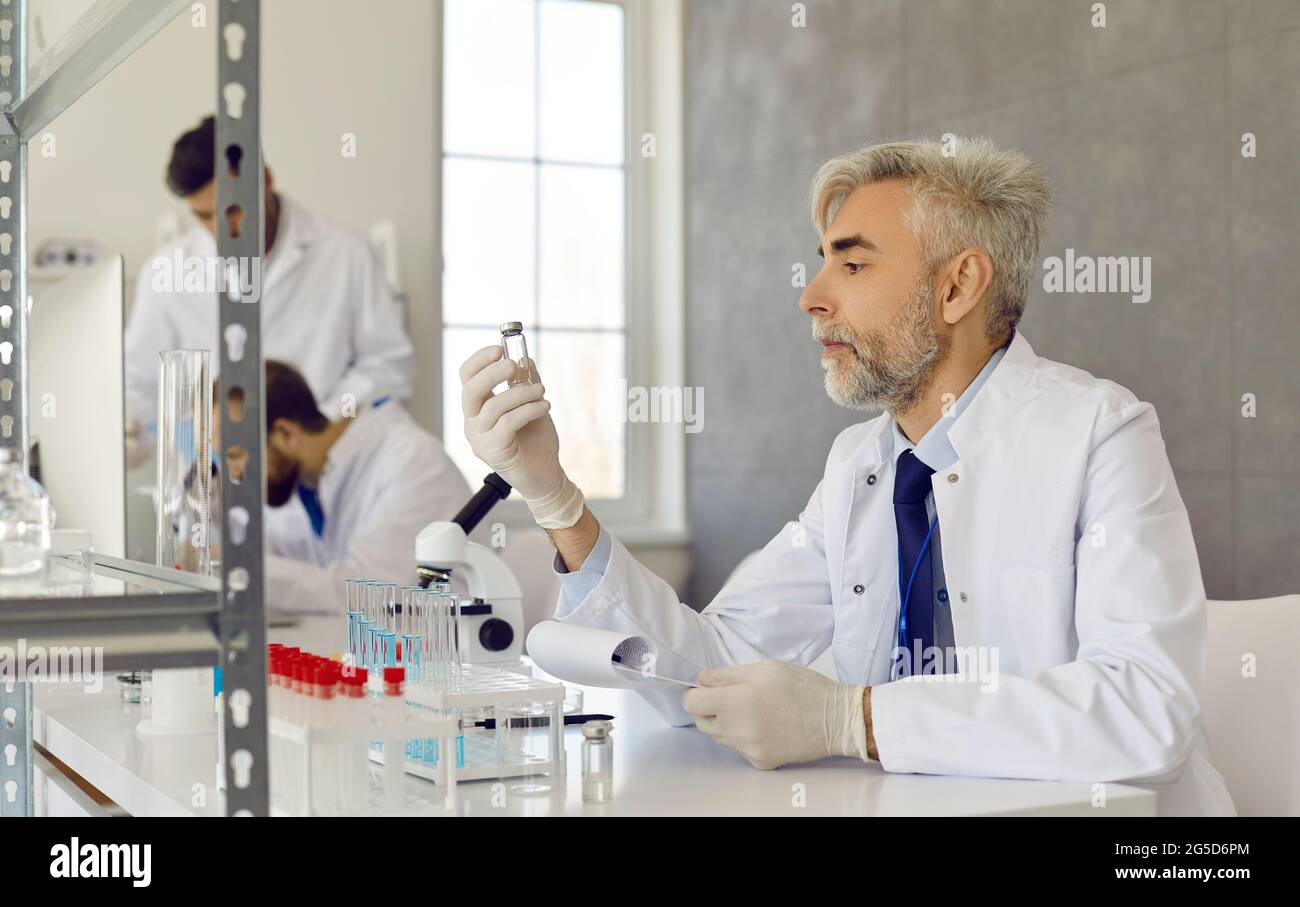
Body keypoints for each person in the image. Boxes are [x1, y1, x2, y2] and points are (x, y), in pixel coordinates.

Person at [456, 137, 1236, 817]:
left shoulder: (1099, 432)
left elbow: (1145, 709)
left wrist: (853, 721)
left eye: (852, 263)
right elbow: (711, 664)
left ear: (958, 286)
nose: (812, 296)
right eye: (822, 261)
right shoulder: (860, 466)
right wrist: (554, 495)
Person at [125, 115, 414, 436]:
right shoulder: (164, 271)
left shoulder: (347, 254)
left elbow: (389, 366)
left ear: (264, 179)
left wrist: (316, 427)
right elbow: (140, 384)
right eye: (205, 216)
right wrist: (131, 432)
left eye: (232, 209)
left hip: (322, 468)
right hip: (212, 471)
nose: (222, 230)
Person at [237, 359, 470, 614]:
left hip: (447, 646)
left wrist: (242, 570)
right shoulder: (304, 484)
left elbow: (371, 592)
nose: (234, 473)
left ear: (285, 434)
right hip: (372, 646)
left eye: (235, 455)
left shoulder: (411, 459)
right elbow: (279, 552)